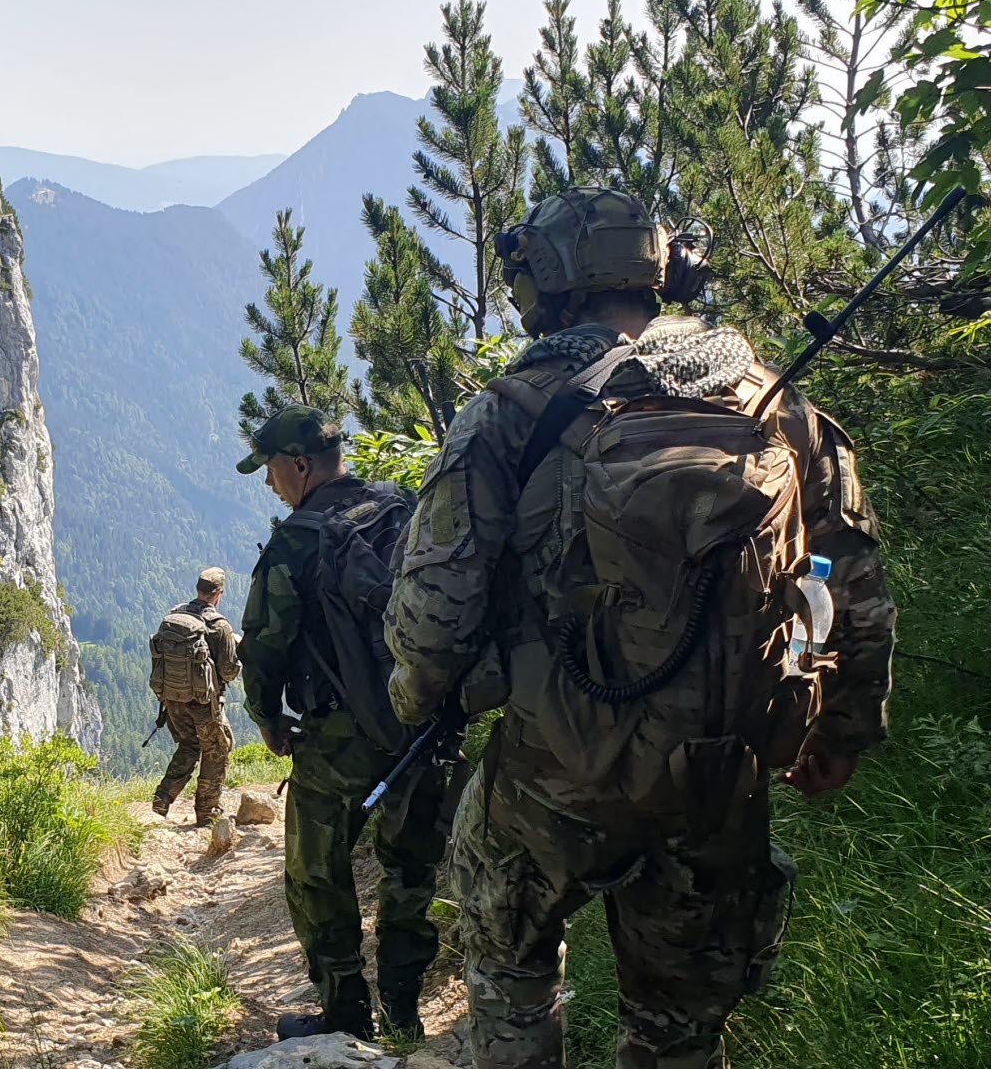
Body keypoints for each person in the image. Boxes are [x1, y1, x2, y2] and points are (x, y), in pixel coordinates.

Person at [384, 186, 897, 1068]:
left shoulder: (513, 409)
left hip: (550, 772)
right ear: (661, 270)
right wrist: (839, 730)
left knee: (510, 990)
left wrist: (420, 701)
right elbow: (851, 580)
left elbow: (435, 609)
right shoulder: (767, 397)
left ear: (547, 278)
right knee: (680, 1037)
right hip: (714, 770)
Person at [236, 405, 454, 1042]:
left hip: (339, 742)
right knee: (411, 871)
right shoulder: (404, 509)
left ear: (300, 465)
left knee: (316, 875)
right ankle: (406, 1016)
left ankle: (345, 1015)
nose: (270, 483)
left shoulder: (295, 541)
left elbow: (264, 645)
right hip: (427, 728)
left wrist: (269, 719)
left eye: (272, 470)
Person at [149, 567, 243, 827]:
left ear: (198, 590)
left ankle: (162, 799)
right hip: (204, 703)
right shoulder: (219, 626)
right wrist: (238, 649)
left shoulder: (175, 617)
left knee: (189, 745)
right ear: (218, 594)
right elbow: (228, 671)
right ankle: (207, 811)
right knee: (217, 750)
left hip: (173, 700)